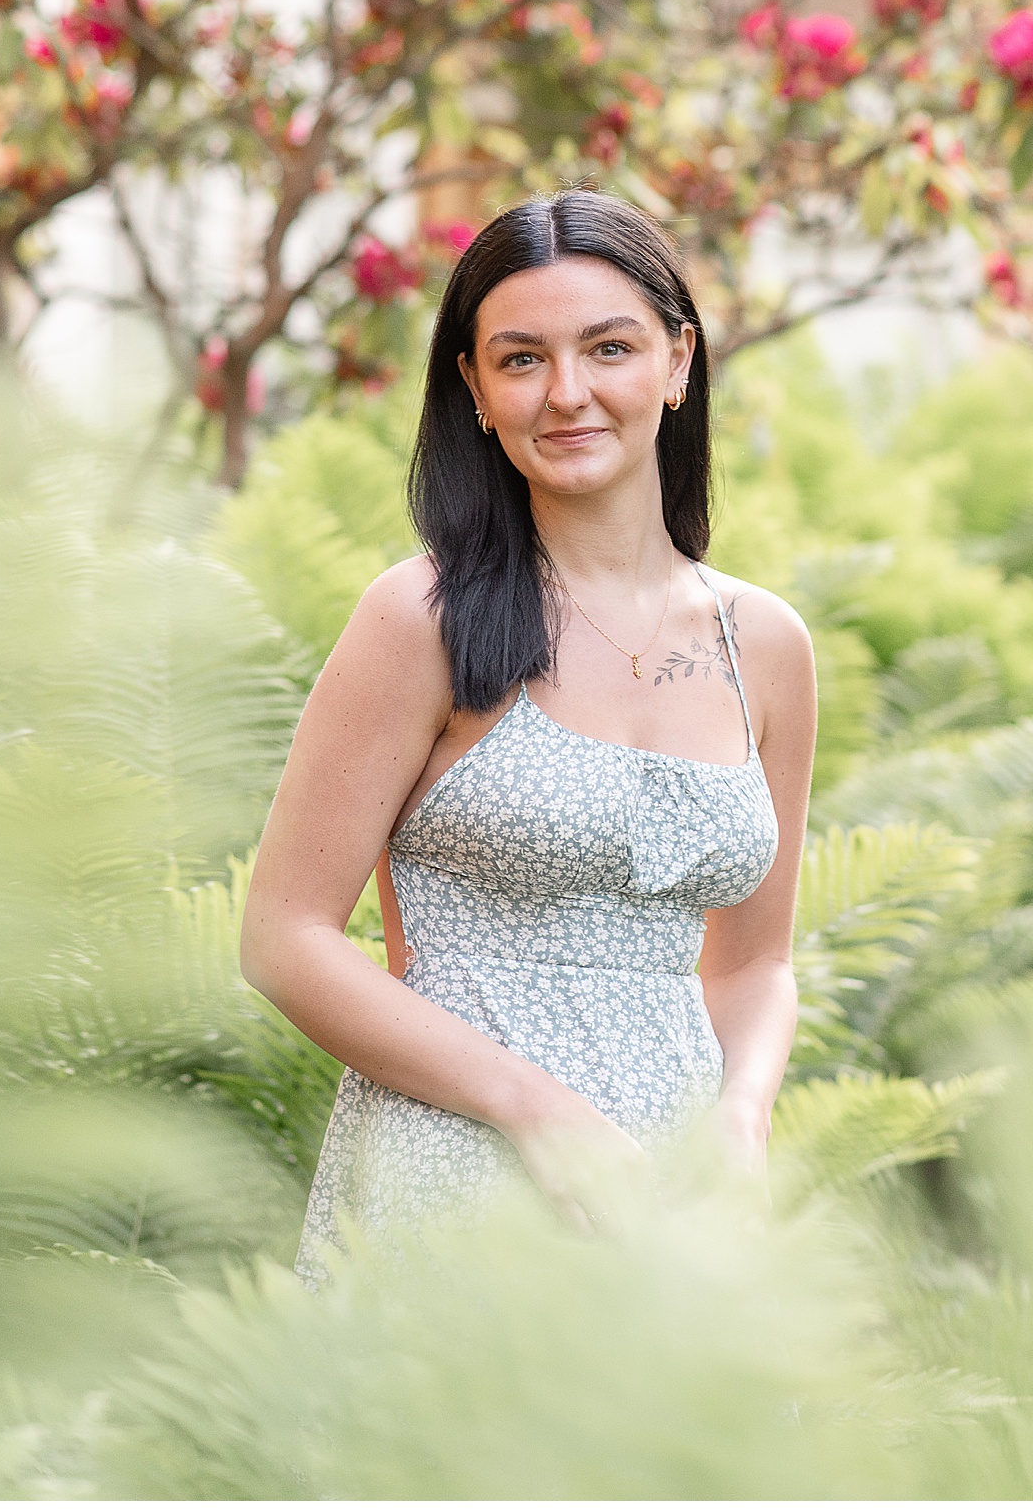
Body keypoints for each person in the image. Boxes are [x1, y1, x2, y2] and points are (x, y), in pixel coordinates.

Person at [240, 190, 818, 1278]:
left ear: (677, 360)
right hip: (453, 1180)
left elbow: (754, 963)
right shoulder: (421, 620)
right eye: (520, 359)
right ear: (473, 388)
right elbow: (284, 937)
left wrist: (739, 1120)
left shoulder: (764, 645)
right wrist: (534, 1108)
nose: (568, 393)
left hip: (677, 1207)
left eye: (609, 347)